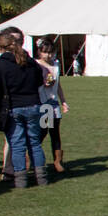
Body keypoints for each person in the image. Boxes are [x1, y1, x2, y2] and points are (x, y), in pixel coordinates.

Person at [0, 30, 48, 187]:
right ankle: (41, 177)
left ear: (1, 47)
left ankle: (20, 180)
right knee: (34, 142)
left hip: (14, 107)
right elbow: (40, 81)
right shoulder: (30, 62)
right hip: (33, 105)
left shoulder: (2, 64)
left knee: (18, 144)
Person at [35, 39, 67, 173]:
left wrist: (63, 101)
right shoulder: (36, 65)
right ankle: (32, 158)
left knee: (55, 133)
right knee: (42, 132)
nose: (48, 55)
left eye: (50, 52)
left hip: (54, 104)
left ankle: (57, 161)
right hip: (42, 104)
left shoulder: (56, 65)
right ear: (39, 52)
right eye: (45, 52)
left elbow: (58, 85)